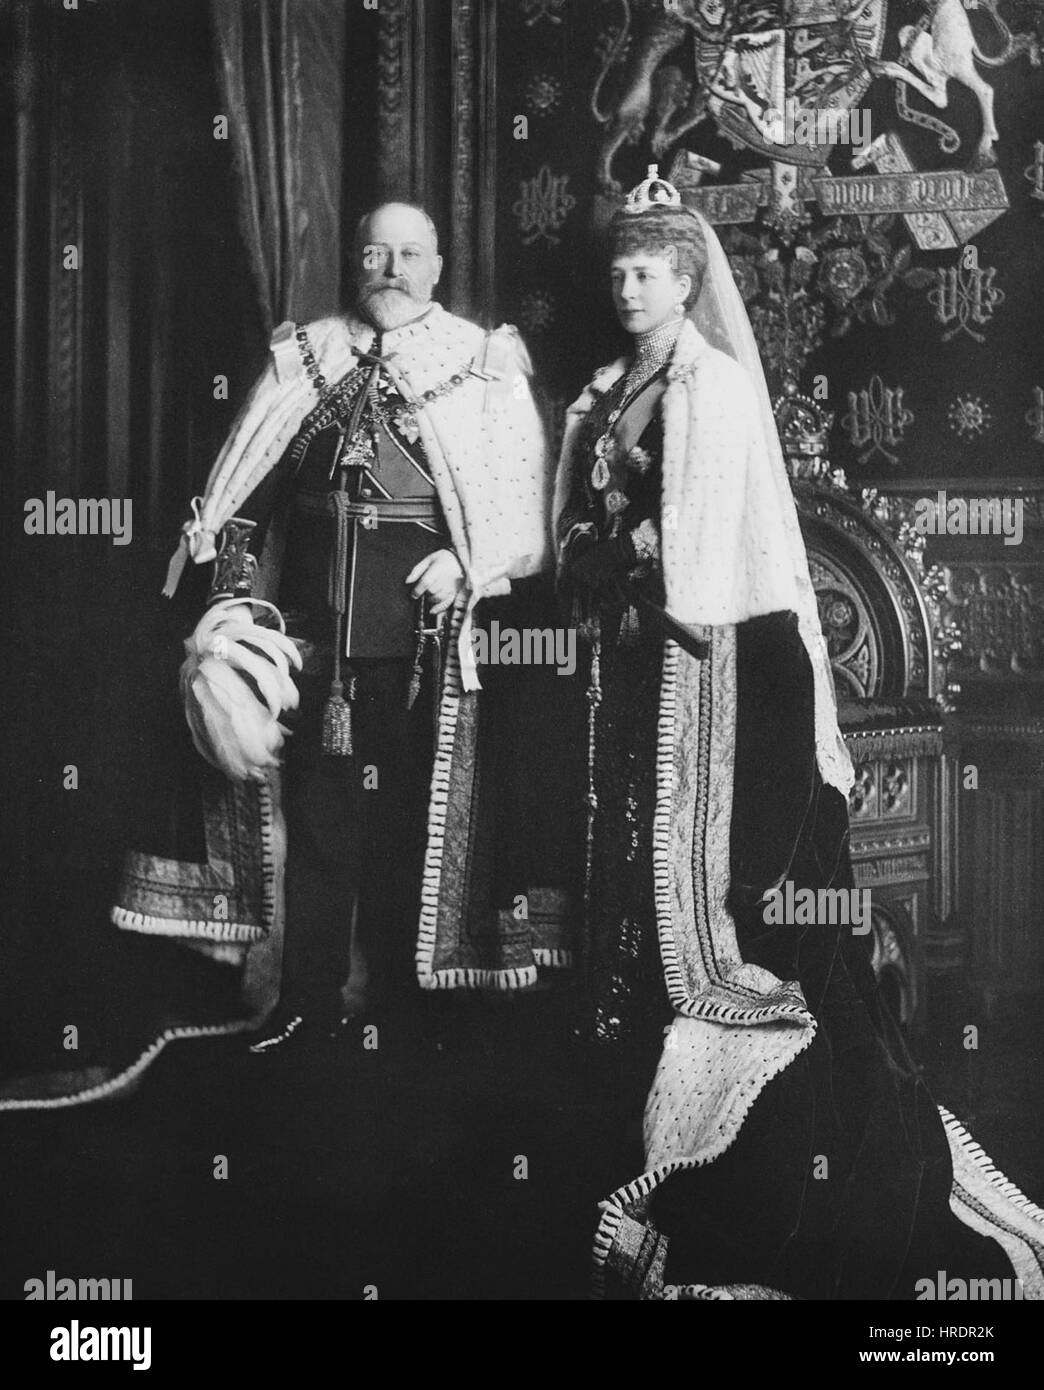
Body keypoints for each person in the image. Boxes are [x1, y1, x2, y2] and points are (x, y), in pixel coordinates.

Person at [554, 167, 1044, 1299]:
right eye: (620, 267)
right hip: (648, 666)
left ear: (688, 279)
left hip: (736, 668)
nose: (630, 284)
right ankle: (634, 1056)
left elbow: (687, 564)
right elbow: (587, 529)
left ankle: (764, 1131)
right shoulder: (609, 387)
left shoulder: (712, 388)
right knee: (639, 866)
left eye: (653, 268)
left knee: (757, 906)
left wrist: (621, 569)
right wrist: (594, 563)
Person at [112, 201, 573, 1054]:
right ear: (355, 263)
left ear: (437, 265)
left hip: (430, 647)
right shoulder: (308, 356)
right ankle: (307, 1006)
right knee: (322, 826)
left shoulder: (482, 362)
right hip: (316, 645)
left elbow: (522, 511)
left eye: (409, 254)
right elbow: (244, 501)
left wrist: (467, 564)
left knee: (408, 825)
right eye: (375, 253)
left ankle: (409, 1008)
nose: (392, 269)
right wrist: (235, 608)